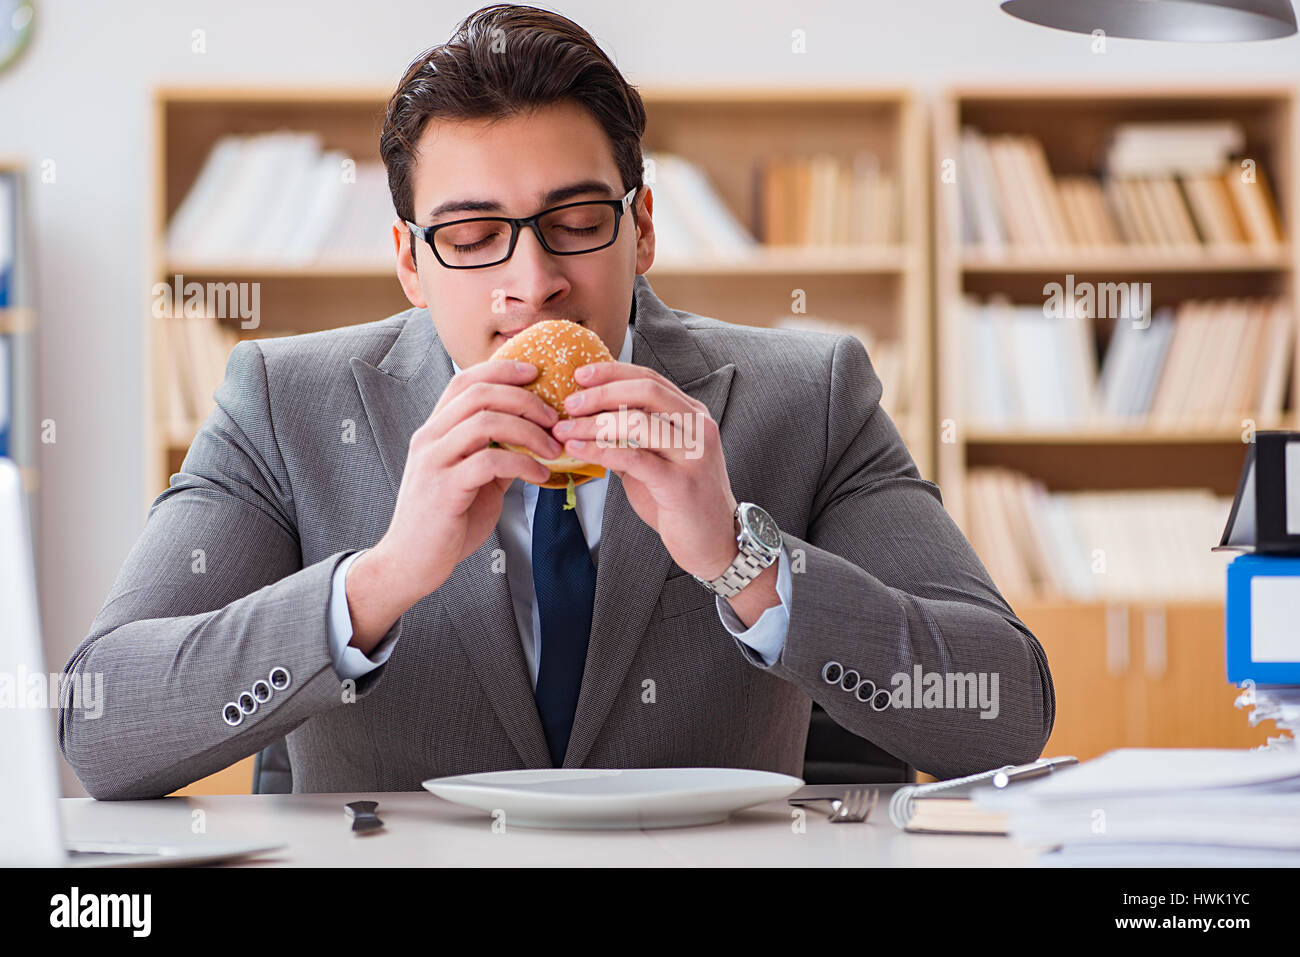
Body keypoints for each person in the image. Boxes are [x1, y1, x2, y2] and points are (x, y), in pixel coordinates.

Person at [60, 3, 1053, 800]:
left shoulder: (810, 394)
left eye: (575, 221)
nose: (530, 282)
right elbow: (101, 730)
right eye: (472, 233)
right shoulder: (283, 403)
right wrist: (383, 579)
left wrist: (738, 559)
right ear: (409, 260)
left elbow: (1004, 714)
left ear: (642, 229)